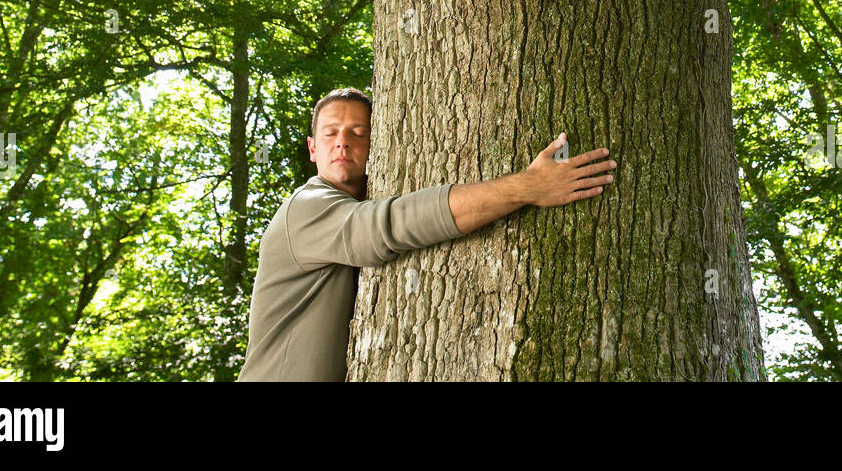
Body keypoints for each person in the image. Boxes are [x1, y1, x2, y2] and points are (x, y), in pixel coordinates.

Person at [237, 87, 617, 381]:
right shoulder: (305, 207)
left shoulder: (345, 203)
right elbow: (387, 226)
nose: (343, 142)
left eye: (358, 132)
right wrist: (526, 188)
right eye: (330, 133)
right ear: (312, 149)